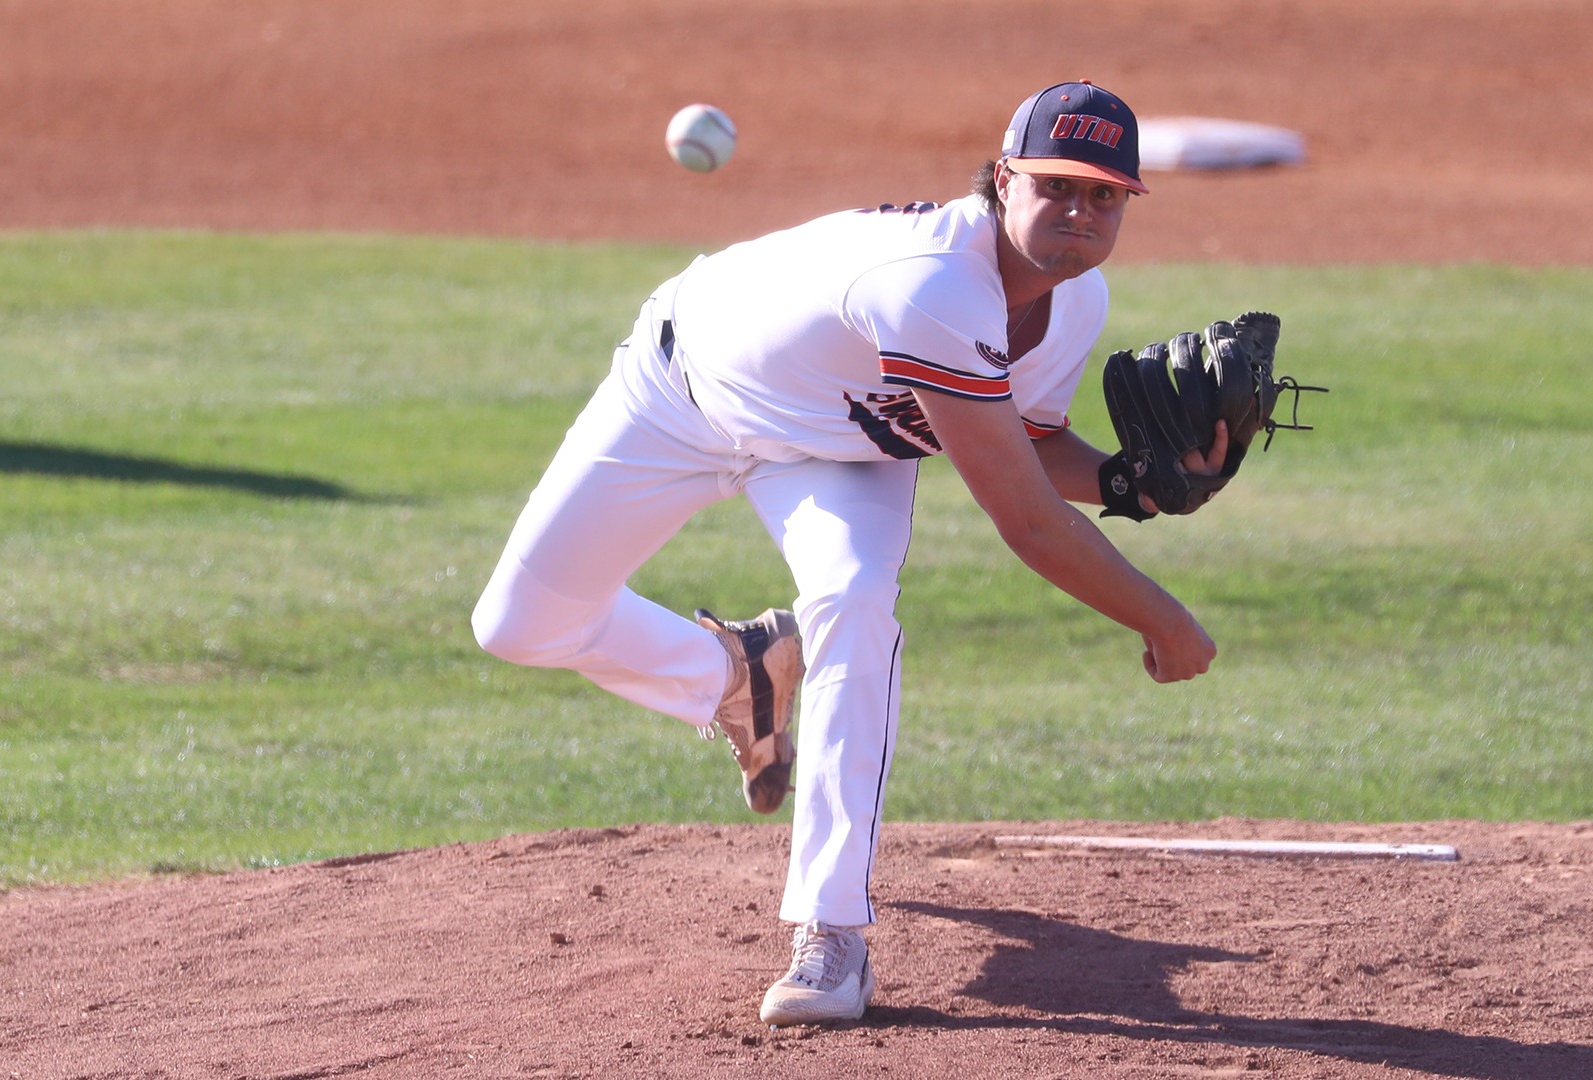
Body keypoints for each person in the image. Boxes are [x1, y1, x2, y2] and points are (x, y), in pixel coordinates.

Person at [471, 80, 1226, 1026]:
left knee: (856, 599)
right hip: (682, 394)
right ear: (1003, 180)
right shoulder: (932, 285)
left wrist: (1133, 485)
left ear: (1127, 206)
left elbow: (1025, 439)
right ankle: (736, 672)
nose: (1080, 209)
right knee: (517, 624)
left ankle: (831, 936)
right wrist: (1162, 617)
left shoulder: (1074, 302)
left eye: (1105, 194)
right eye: (1057, 185)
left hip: (843, 450)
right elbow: (1026, 520)